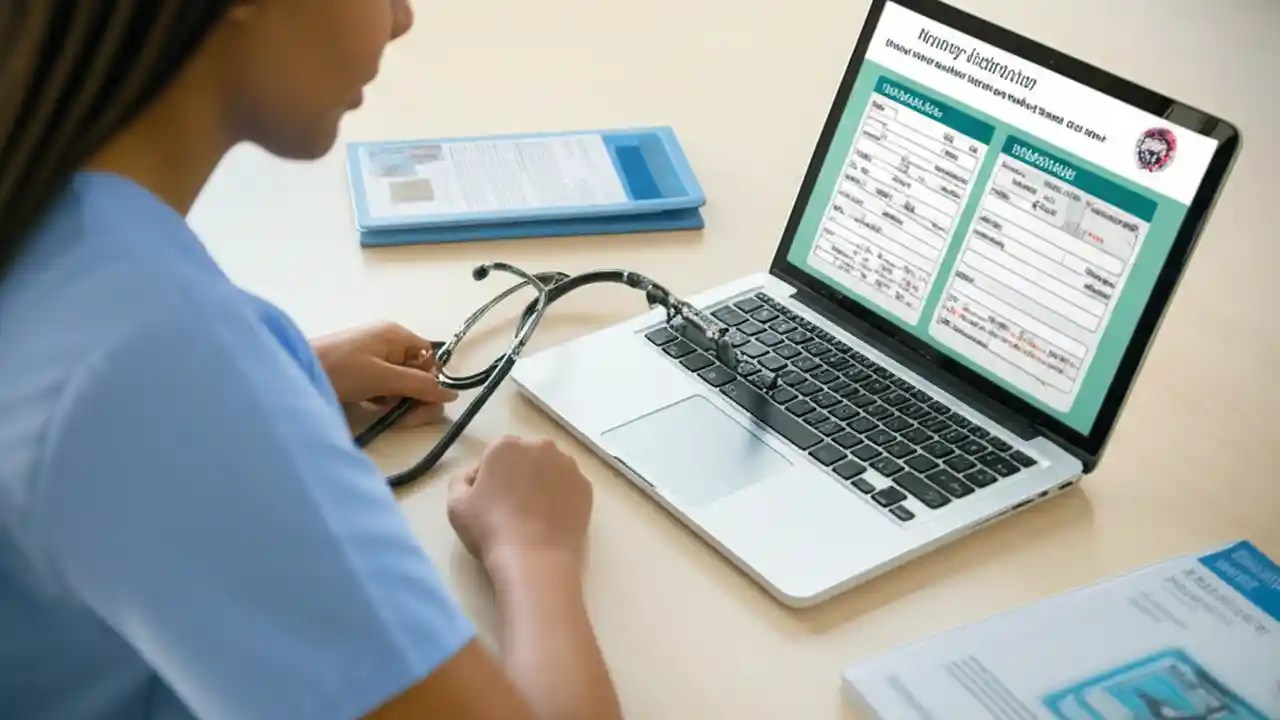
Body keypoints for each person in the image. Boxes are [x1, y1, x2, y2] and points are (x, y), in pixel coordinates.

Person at [0, 2, 623, 719]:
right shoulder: (155, 366)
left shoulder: (51, 218)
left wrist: (286, 374)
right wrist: (536, 552)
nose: (401, 18)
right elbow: (138, 397)